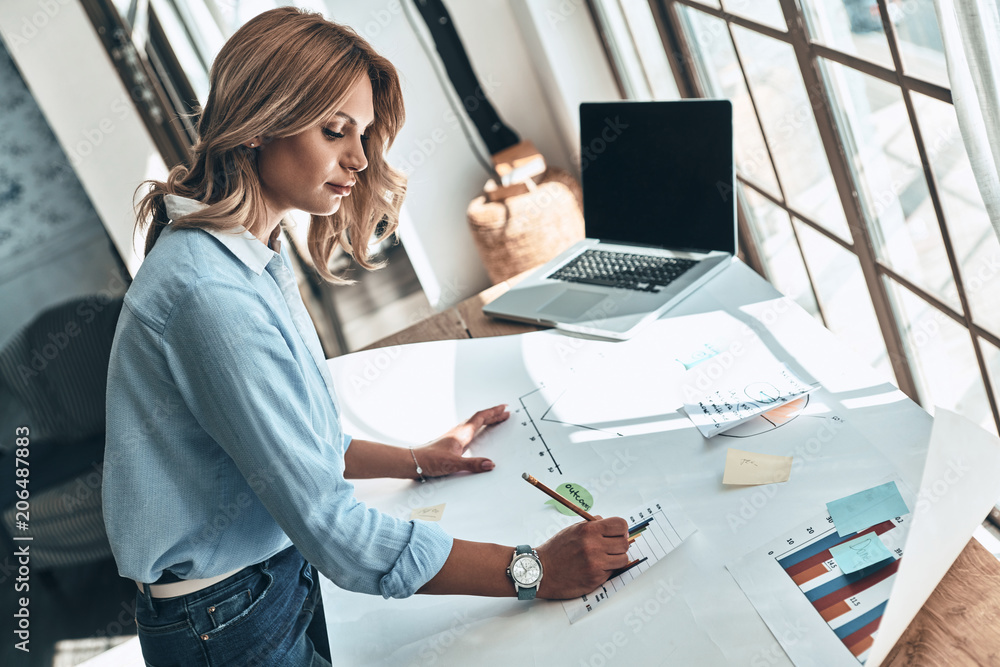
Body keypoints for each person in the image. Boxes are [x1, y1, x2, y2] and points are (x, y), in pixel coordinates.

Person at [103, 7, 629, 666]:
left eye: (363, 133)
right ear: (262, 121)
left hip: (257, 583)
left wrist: (415, 459)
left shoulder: (242, 249)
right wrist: (533, 570)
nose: (358, 159)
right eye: (335, 131)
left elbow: (288, 441)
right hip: (226, 619)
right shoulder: (211, 296)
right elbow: (337, 532)